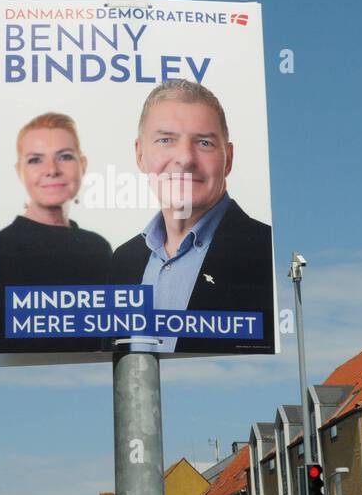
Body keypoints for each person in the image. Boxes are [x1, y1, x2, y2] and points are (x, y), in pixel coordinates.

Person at [110, 80, 275, 354]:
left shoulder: (267, 251)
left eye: (204, 142)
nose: (185, 158)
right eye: (166, 140)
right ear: (140, 154)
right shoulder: (123, 261)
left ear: (229, 158)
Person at [0, 112, 111, 353]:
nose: (52, 170)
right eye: (36, 160)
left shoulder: (97, 248)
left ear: (83, 165)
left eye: (65, 157)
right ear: (19, 171)